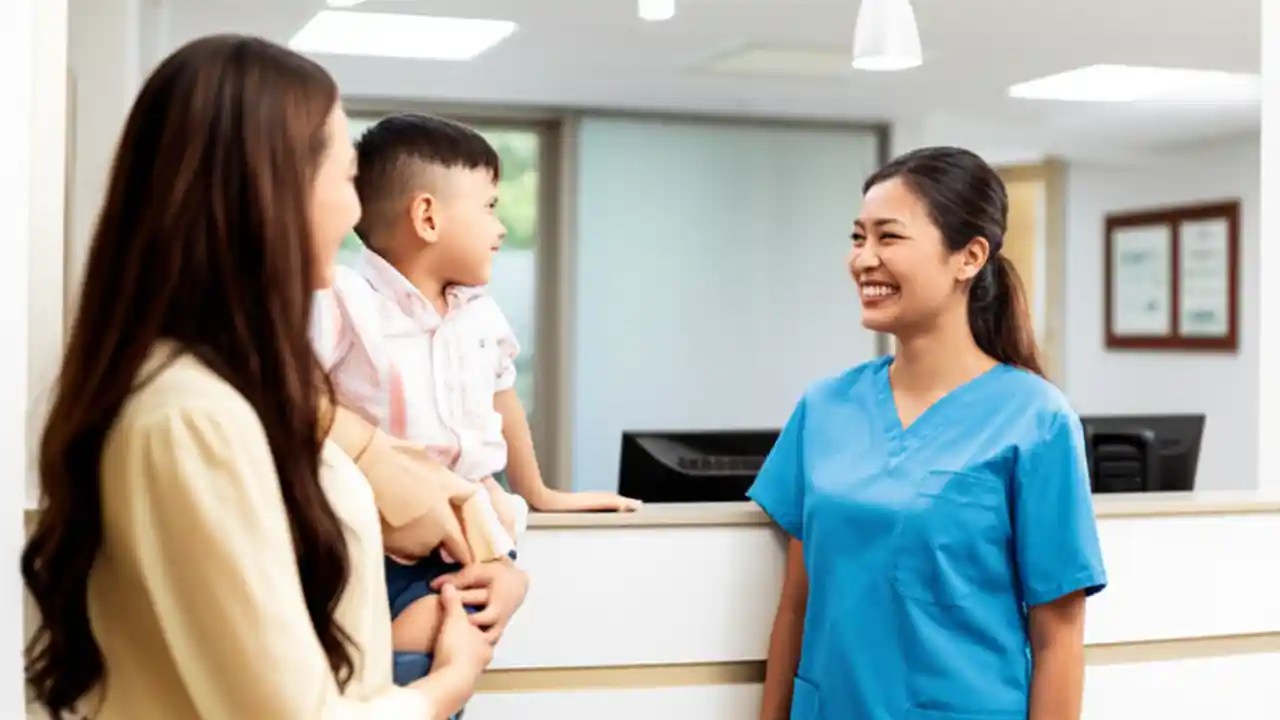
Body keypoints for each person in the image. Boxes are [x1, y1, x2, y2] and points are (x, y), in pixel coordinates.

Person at [21, 35, 493, 719]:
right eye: (346, 178)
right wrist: (447, 682)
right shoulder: (192, 418)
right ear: (271, 191)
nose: (356, 213)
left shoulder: (221, 399)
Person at [751, 146, 1107, 720]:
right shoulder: (824, 409)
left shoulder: (1036, 419)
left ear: (969, 257)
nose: (864, 259)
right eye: (858, 237)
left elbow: (1058, 639)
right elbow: (796, 605)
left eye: (888, 237)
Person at [311, 113, 639, 664]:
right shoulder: (344, 300)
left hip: (468, 538)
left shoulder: (482, 315)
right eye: (489, 206)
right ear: (428, 217)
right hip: (369, 536)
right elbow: (290, 396)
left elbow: (501, 398)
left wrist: (540, 493)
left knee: (446, 645)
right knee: (390, 663)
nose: (501, 228)